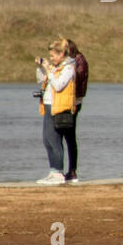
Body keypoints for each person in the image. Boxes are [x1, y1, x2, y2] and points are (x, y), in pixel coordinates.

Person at [35, 38, 79, 185]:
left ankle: (58, 173)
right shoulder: (55, 67)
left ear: (62, 55)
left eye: (53, 55)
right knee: (47, 139)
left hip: (59, 107)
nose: (51, 58)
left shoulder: (68, 68)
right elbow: (41, 80)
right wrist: (42, 68)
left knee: (55, 140)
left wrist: (50, 70)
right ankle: (53, 171)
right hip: (47, 104)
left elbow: (59, 85)